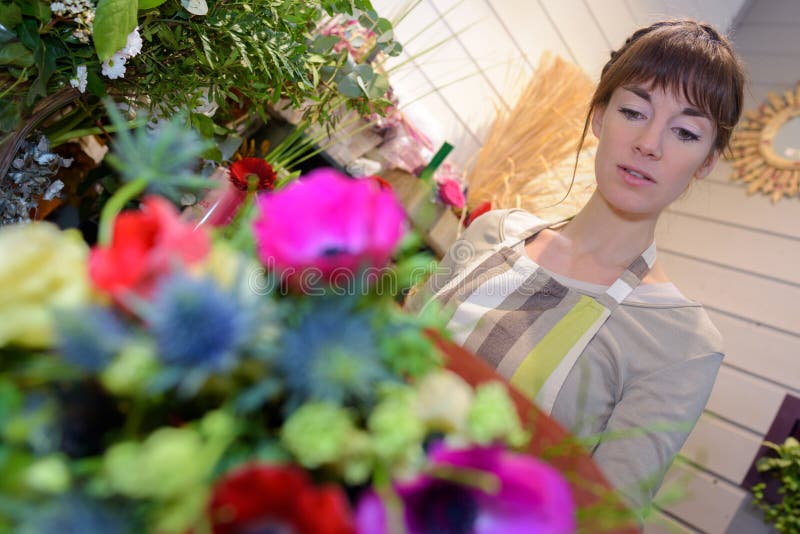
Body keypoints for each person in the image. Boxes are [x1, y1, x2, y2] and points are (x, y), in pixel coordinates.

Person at [406, 19, 745, 517]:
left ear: (706, 162)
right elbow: (393, 342)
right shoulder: (492, 232)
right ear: (599, 117)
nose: (650, 143)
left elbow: (604, 520)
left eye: (685, 132)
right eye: (633, 111)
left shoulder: (683, 345)